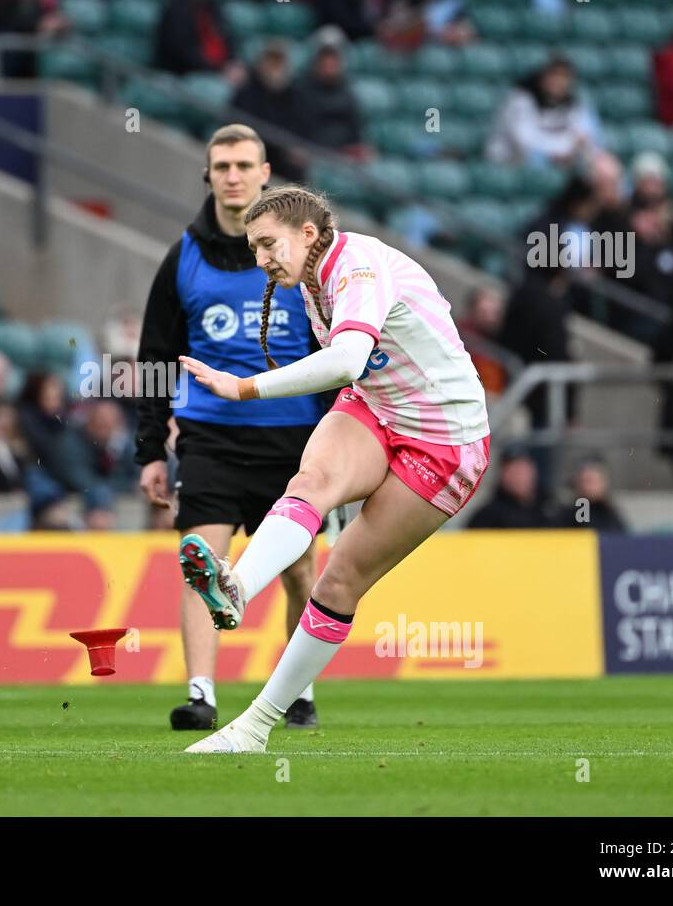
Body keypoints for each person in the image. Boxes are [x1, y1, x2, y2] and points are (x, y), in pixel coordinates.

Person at [172, 185, 490, 753]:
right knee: (310, 483)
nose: (260, 259)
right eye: (253, 248)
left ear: (308, 234)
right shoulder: (310, 280)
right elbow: (354, 373)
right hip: (378, 406)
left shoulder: (358, 266)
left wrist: (244, 388)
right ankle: (237, 586)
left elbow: (345, 361)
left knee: (339, 581)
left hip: (445, 438)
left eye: (268, 244)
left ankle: (254, 727)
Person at [136, 127, 328, 733]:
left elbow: (334, 348)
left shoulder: (302, 256)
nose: (233, 175)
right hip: (210, 437)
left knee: (300, 573)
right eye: (222, 166)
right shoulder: (183, 257)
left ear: (265, 173)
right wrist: (150, 449)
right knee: (201, 561)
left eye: (244, 165)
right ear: (209, 175)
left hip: (293, 439)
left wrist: (342, 445)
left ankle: (298, 693)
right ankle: (201, 697)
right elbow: (154, 356)